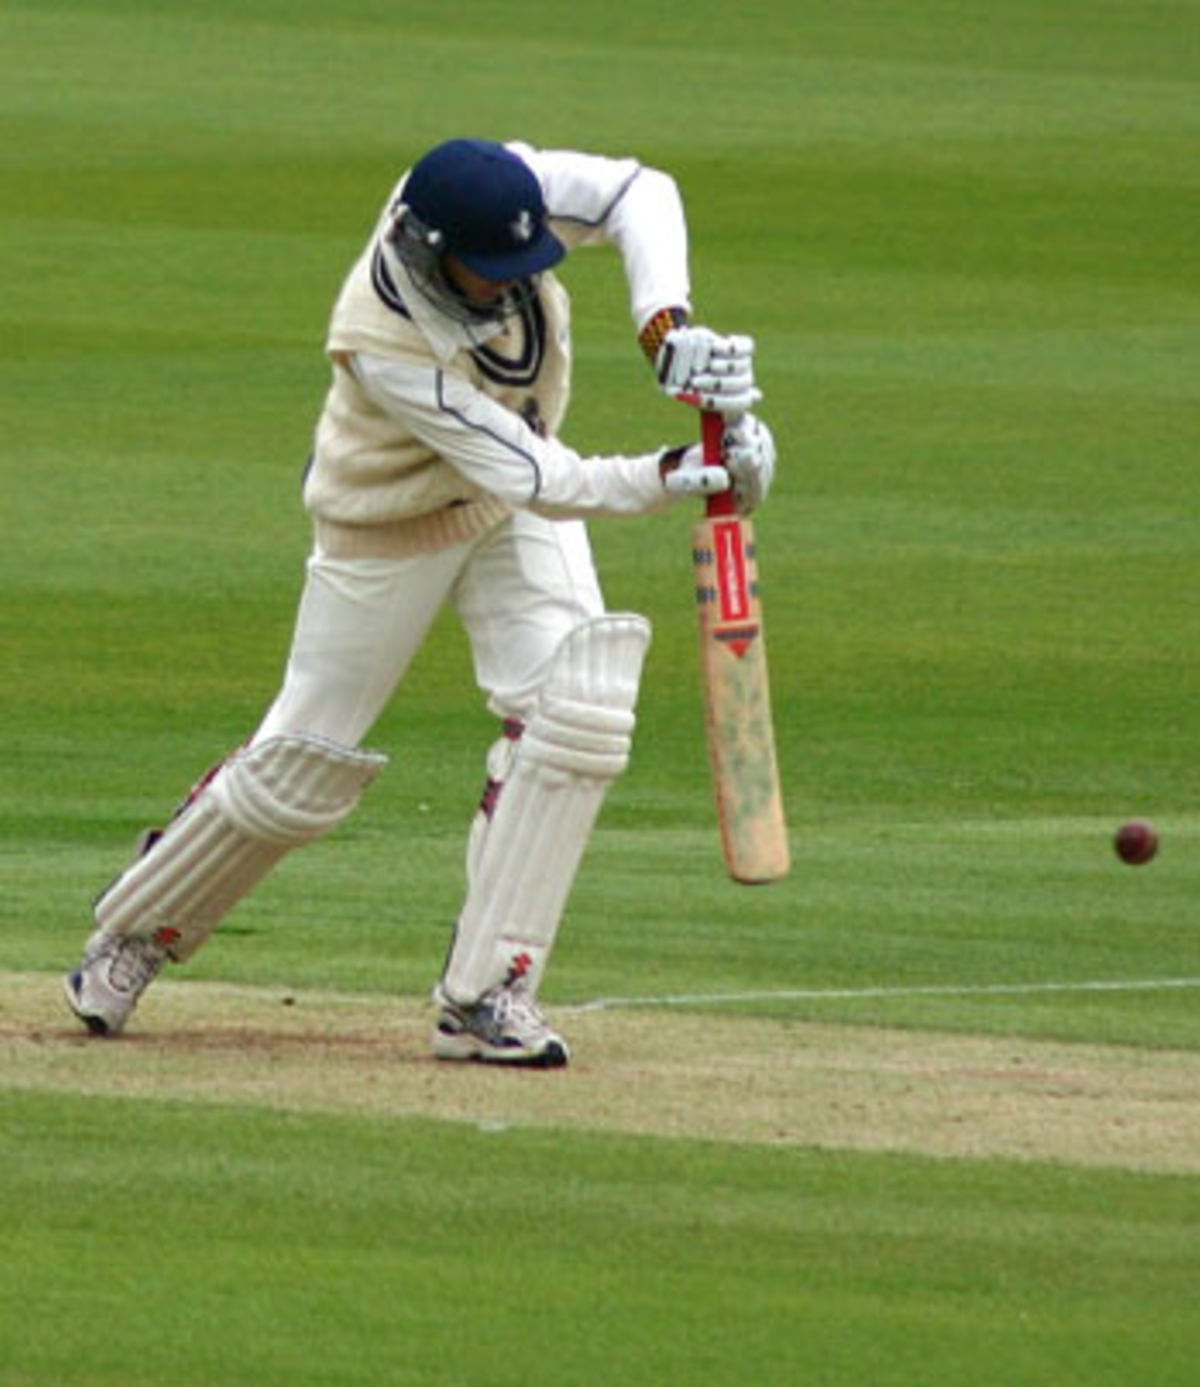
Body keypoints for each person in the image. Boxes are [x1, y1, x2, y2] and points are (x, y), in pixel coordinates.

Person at [63, 138, 776, 1067]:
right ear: (430, 255)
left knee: (581, 709)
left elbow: (643, 191)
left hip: (502, 501)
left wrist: (665, 326)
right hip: (390, 525)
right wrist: (682, 471)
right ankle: (136, 928)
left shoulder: (486, 193)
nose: (509, 287)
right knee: (299, 768)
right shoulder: (385, 342)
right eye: (489, 275)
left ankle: (488, 993)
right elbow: (540, 475)